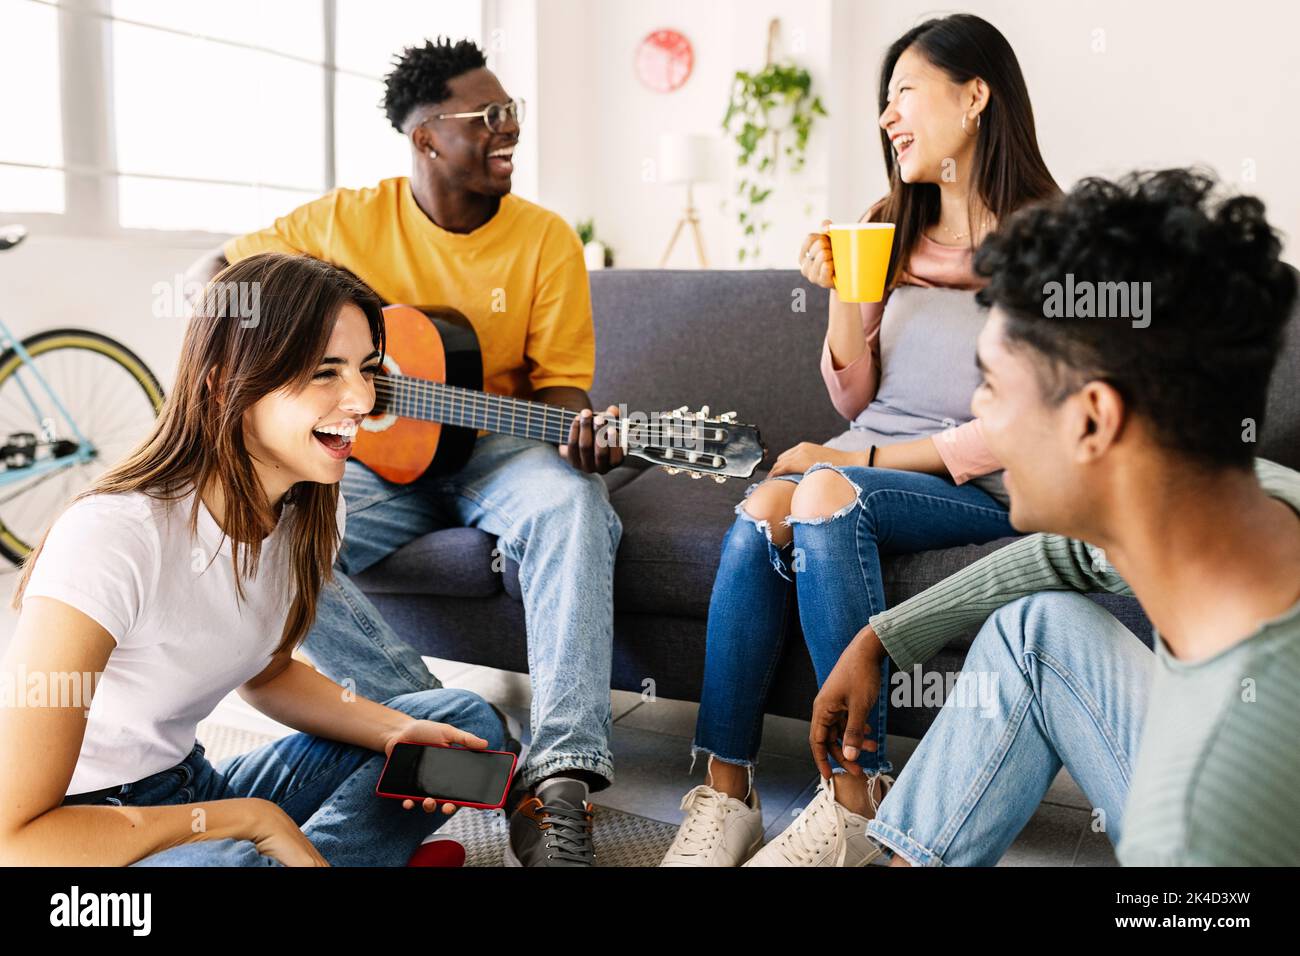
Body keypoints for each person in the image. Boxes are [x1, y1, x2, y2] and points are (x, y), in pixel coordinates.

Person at [185, 38, 620, 866]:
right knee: (272, 534)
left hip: (497, 450)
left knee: (576, 504)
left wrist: (579, 434)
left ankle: (559, 776)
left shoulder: (545, 240)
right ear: (426, 137)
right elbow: (225, 274)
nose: (510, 131)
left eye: (513, 114)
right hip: (372, 459)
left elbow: (562, 387)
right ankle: (457, 741)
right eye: (488, 117)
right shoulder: (343, 221)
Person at [812, 168, 1300, 866]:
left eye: (992, 386)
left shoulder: (1201, 826)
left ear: (1094, 421)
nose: (977, 412)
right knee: (1035, 628)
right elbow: (1063, 557)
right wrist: (881, 639)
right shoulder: (1247, 498)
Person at [662, 14, 1058, 867]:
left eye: (904, 93)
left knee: (821, 490)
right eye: (885, 103)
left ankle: (857, 792)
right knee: (763, 503)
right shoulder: (889, 223)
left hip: (980, 485)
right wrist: (846, 291)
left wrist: (855, 461)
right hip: (866, 457)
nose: (888, 118)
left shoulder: (1050, 243)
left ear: (977, 94)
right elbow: (854, 393)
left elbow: (1013, 429)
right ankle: (726, 791)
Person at [0, 253, 506, 866]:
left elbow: (266, 674)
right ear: (223, 381)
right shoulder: (112, 536)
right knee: (240, 862)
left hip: (188, 788)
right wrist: (250, 818)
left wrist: (391, 731)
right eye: (326, 372)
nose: (363, 399)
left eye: (366, 369)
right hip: (86, 832)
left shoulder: (310, 512)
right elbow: (17, 840)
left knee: (462, 727)